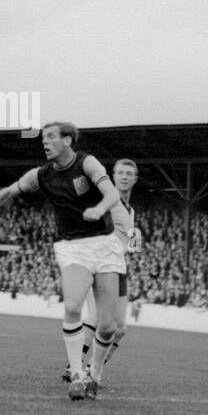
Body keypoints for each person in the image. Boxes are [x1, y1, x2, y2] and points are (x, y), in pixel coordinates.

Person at [0, 122, 129, 401]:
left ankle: (94, 376)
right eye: (43, 138)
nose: (45, 142)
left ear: (67, 140)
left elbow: (111, 193)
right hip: (72, 247)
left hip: (105, 244)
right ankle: (76, 376)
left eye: (51, 137)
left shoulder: (87, 163)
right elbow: (7, 192)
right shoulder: (41, 175)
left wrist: (99, 208)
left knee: (109, 326)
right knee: (73, 306)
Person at [73, 158, 141, 383]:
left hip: (119, 267)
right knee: (100, 318)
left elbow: (131, 245)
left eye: (129, 174)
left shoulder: (129, 211)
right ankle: (78, 368)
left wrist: (134, 242)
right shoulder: (106, 199)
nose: (124, 176)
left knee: (120, 329)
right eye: (120, 172)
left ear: (135, 179)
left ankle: (91, 366)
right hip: (100, 266)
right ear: (113, 176)